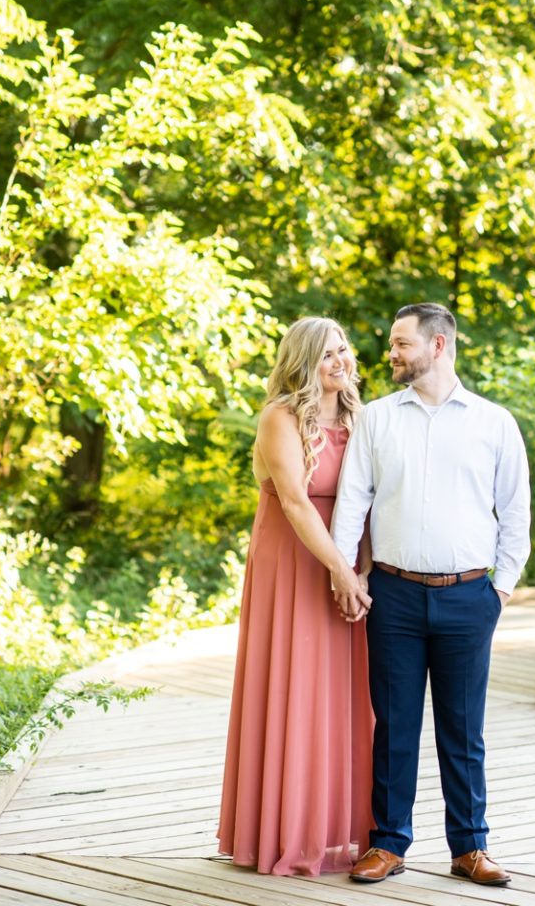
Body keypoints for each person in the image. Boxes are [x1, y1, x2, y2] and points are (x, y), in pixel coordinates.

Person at [329, 302, 531, 887]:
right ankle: (388, 843)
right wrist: (346, 572)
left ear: (437, 346)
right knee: (392, 725)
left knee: (463, 728)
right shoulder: (378, 420)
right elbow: (353, 503)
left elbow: (515, 512)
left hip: (470, 597)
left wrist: (503, 589)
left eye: (400, 344)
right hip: (392, 596)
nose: (389, 353)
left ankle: (470, 847)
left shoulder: (494, 423)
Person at [218, 316, 374, 875]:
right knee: (295, 687)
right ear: (305, 361)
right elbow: (294, 500)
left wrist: (364, 570)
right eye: (328, 354)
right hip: (293, 562)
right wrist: (340, 571)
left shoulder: (361, 419)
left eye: (344, 351)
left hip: (347, 563)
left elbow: (375, 498)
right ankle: (282, 833)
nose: (341, 362)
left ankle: (342, 833)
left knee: (345, 696)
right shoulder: (280, 417)